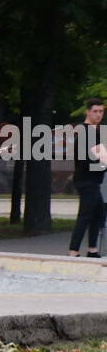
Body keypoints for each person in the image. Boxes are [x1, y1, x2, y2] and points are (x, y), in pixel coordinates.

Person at [69, 98, 107, 258]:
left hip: (92, 181)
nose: (99, 115)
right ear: (88, 112)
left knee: (99, 213)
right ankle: (73, 252)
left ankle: (92, 250)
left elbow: (102, 158)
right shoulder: (87, 132)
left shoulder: (95, 132)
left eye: (101, 111)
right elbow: (89, 161)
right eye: (95, 111)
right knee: (85, 215)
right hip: (87, 181)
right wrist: (103, 164)